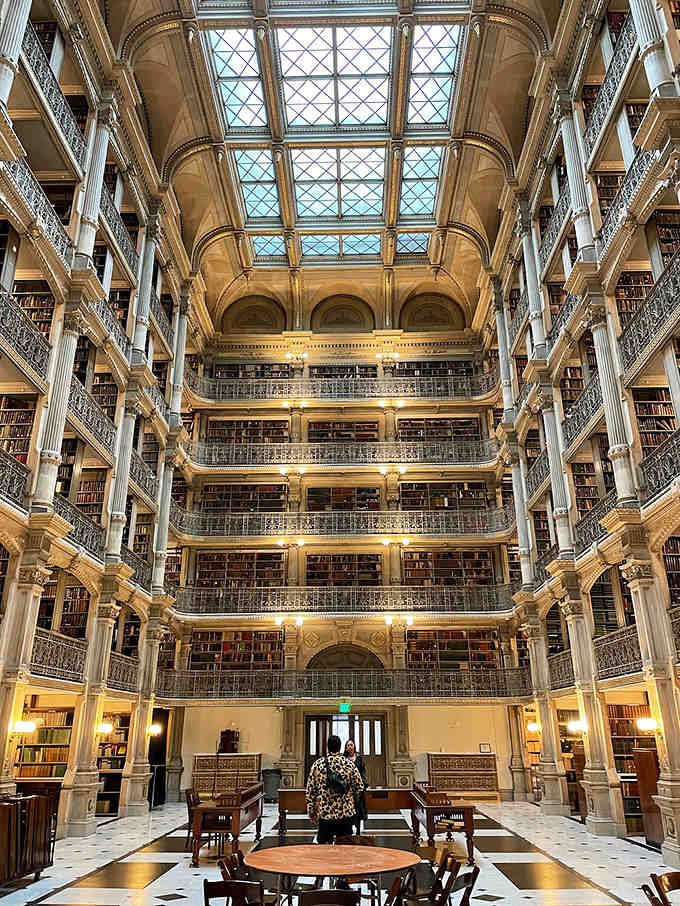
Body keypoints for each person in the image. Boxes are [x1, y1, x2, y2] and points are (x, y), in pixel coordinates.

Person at [306, 734, 364, 844]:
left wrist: (312, 812)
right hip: (345, 813)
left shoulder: (318, 765)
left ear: (328, 747)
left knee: (324, 852)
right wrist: (353, 804)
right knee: (345, 850)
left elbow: (310, 791)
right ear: (340, 747)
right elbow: (359, 787)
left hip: (325, 814)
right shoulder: (348, 764)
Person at [344, 739, 367, 835]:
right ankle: (348, 828)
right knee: (349, 808)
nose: (350, 747)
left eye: (351, 745)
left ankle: (358, 828)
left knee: (358, 808)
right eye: (348, 745)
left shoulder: (359, 757)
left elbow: (362, 770)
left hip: (358, 787)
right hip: (347, 788)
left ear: (354, 746)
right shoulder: (344, 758)